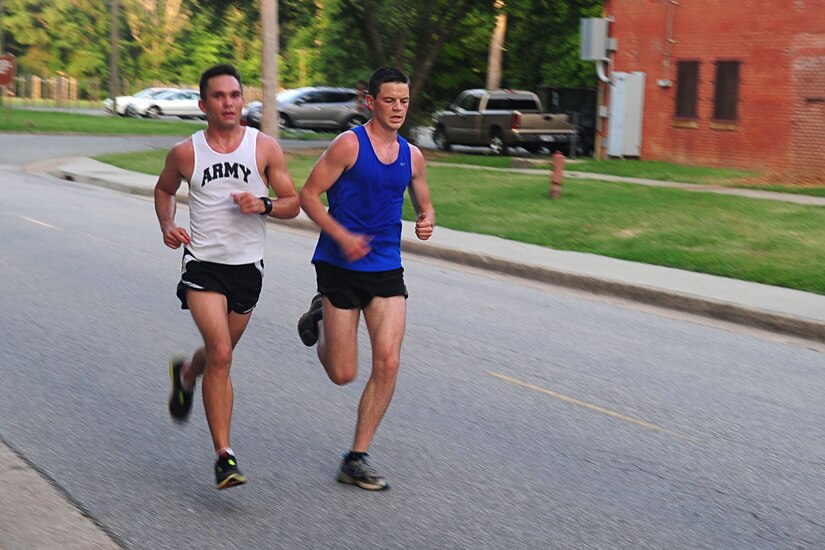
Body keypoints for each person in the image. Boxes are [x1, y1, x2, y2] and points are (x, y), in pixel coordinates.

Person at [154, 63, 299, 489]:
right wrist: (167, 225)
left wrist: (265, 204)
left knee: (217, 356)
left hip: (247, 270)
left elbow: (292, 201)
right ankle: (225, 456)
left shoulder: (264, 147)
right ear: (203, 104)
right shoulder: (186, 152)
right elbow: (164, 190)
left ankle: (185, 375)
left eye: (235, 95)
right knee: (221, 352)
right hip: (202, 264)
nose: (229, 102)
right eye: (219, 96)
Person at [297, 67, 435, 491]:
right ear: (371, 102)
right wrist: (341, 235)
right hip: (339, 266)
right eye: (390, 100)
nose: (398, 108)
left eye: (404, 101)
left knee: (389, 361)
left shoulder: (412, 156)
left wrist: (426, 220)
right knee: (342, 373)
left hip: (386, 268)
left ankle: (357, 456)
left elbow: (425, 203)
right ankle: (320, 317)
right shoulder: (347, 146)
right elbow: (308, 195)